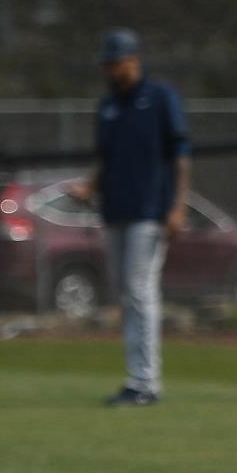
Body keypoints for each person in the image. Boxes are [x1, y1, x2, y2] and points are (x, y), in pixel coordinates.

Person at [74, 28, 189, 407]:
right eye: (106, 64)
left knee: (140, 290)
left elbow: (180, 155)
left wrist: (178, 206)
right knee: (125, 293)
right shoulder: (109, 106)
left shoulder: (160, 98)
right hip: (115, 209)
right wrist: (89, 187)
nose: (109, 70)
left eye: (115, 62)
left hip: (150, 210)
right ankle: (135, 377)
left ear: (133, 60)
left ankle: (146, 383)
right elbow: (104, 159)